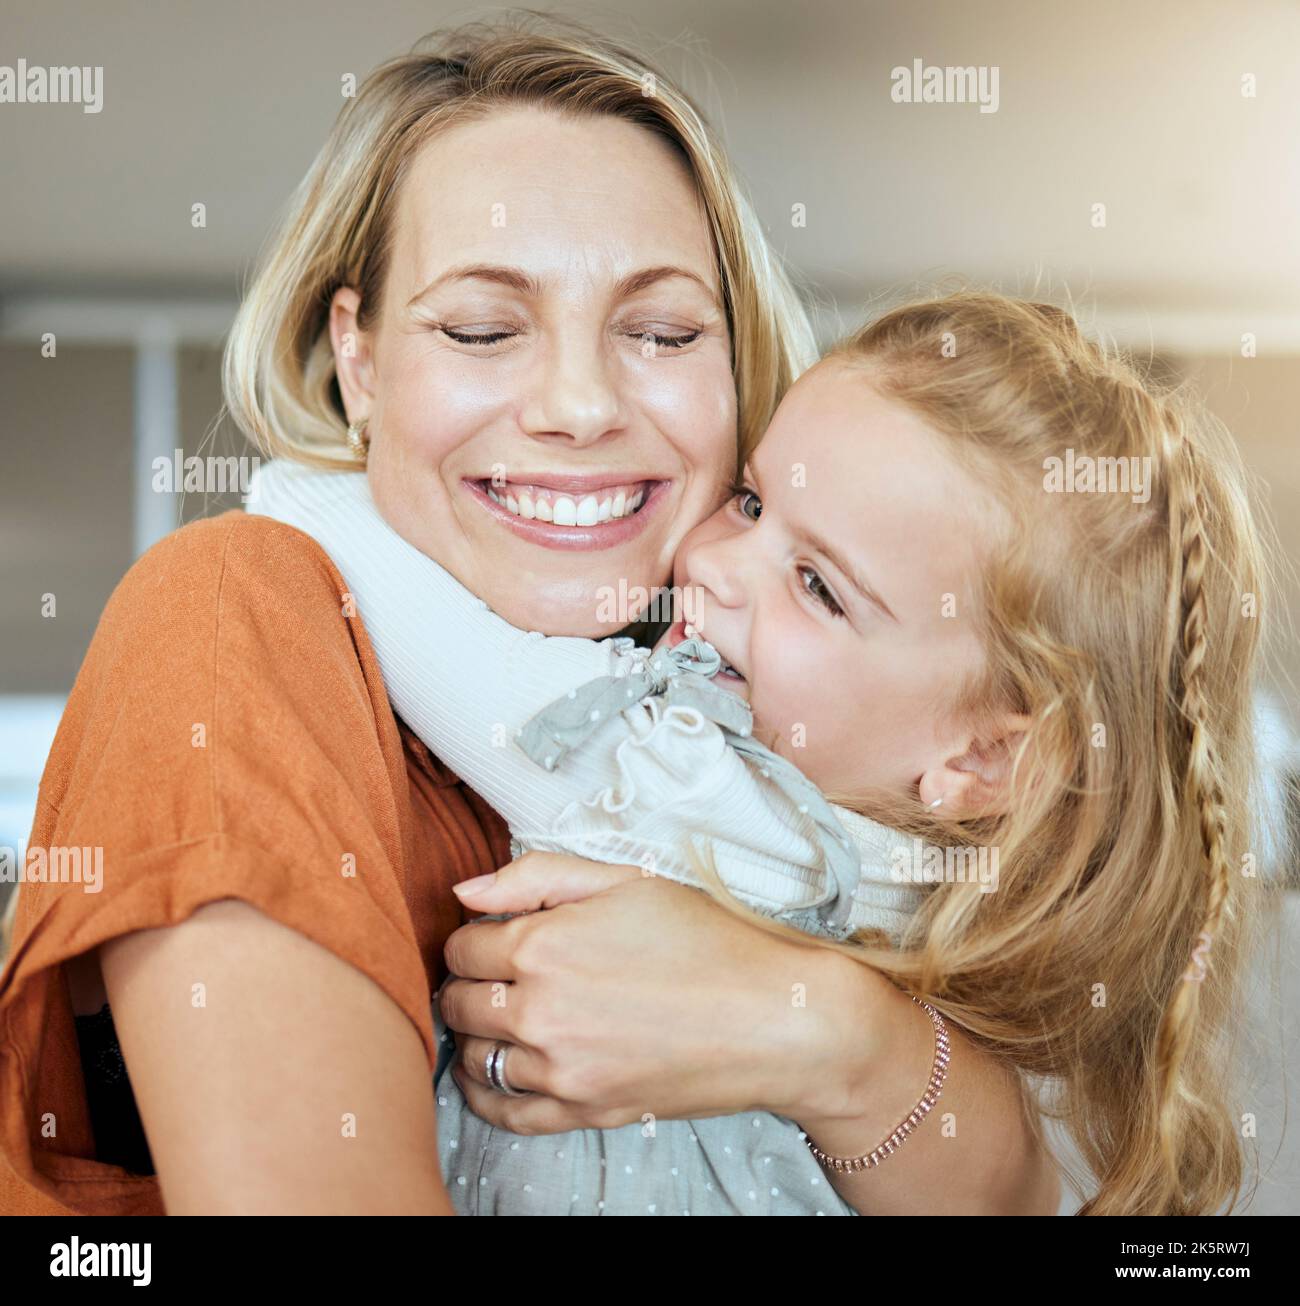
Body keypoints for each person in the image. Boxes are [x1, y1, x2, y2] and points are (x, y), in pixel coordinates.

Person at [0, 19, 1057, 1215]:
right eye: (482, 330)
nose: (577, 404)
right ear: (358, 361)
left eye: (661, 332)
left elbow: (1027, 1191)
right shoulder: (234, 609)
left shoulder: (789, 709)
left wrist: (824, 1035)